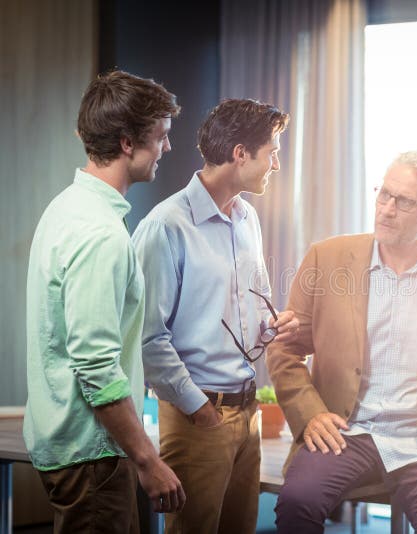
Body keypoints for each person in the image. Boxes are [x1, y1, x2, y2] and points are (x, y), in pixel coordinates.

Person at [268, 151, 417, 534]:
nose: (387, 210)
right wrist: (310, 413)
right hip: (345, 433)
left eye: (404, 202)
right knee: (297, 504)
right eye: (384, 195)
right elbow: (284, 347)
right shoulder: (326, 259)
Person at [24, 70, 185, 533]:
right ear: (128, 143)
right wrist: (147, 459)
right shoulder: (101, 235)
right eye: (161, 136)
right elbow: (95, 365)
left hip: (73, 449)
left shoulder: (67, 206)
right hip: (92, 455)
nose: (167, 148)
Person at [131, 98, 298, 533]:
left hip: (247, 413)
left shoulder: (247, 219)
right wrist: (199, 410)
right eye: (273, 152)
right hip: (199, 416)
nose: (276, 164)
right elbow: (148, 337)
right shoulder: (165, 226)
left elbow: (248, 312)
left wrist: (274, 326)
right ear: (241, 154)